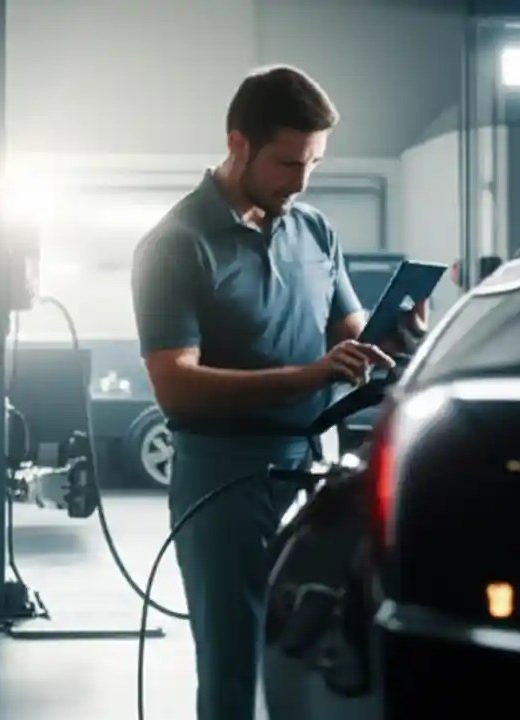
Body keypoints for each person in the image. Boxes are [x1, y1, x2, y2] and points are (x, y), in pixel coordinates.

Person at [130, 65, 425, 719]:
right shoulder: (175, 247)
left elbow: (351, 333)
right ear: (238, 143)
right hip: (221, 479)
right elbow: (175, 384)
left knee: (320, 655)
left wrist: (397, 337)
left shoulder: (314, 229)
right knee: (232, 665)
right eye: (288, 163)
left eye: (312, 164)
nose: (301, 181)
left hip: (311, 470)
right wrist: (313, 374)